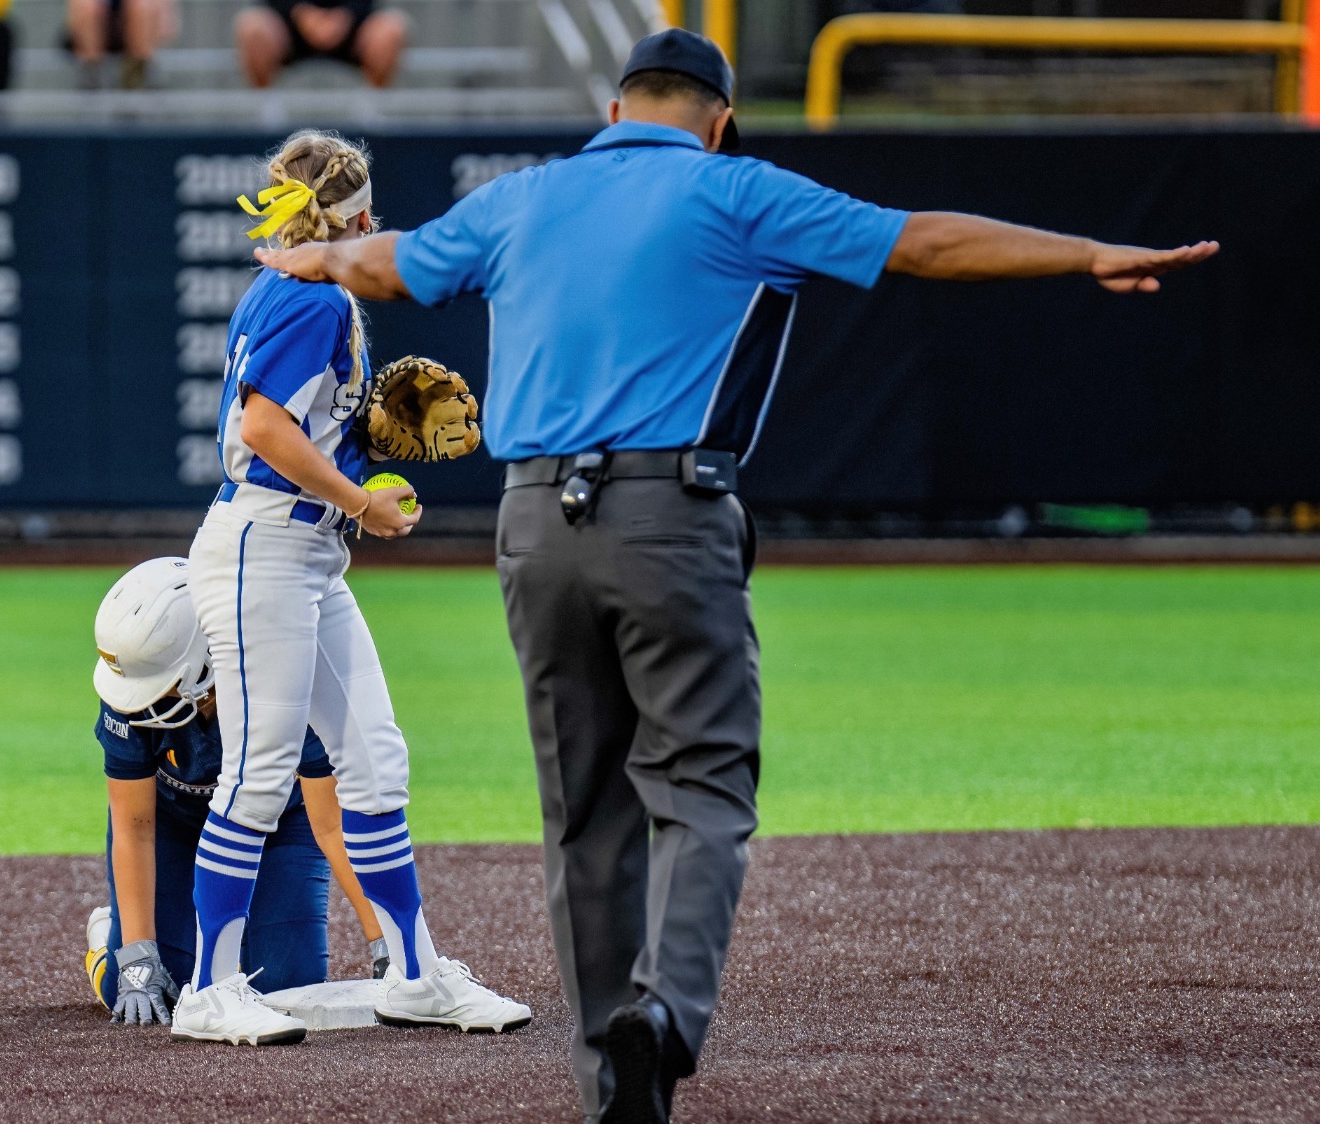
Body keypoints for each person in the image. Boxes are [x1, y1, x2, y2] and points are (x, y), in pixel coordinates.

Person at [253, 30, 1218, 1122]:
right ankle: (661, 1018)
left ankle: (609, 1086)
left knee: (582, 812)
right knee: (703, 784)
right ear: (716, 119)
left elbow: (393, 261)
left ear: (612, 113)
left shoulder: (523, 198)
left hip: (529, 523)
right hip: (667, 513)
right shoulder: (732, 188)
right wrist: (1081, 252)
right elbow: (924, 245)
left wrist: (317, 260)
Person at [171, 129, 531, 1047]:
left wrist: (362, 446)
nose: (374, 223)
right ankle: (209, 990)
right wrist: (358, 499)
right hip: (265, 548)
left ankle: (413, 973)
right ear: (345, 216)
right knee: (256, 776)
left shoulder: (297, 287)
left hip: (302, 553)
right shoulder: (314, 292)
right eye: (365, 210)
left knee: (374, 757)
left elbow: (303, 428)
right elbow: (262, 430)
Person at [80, 557, 389, 1028]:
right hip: (171, 826)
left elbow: (331, 825)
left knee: (287, 987)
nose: (139, 702)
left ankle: (248, 937)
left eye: (157, 689)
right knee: (159, 986)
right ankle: (109, 936)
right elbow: (133, 827)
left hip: (280, 825)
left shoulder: (287, 677)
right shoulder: (135, 677)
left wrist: (387, 945)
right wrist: (137, 955)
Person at [235, 0, 407, 88]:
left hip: (353, 26)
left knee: (392, 28)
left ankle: (375, 116)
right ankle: (265, 115)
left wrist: (346, 15)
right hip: (289, 27)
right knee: (252, 27)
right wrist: (299, 12)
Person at [61, 0, 177, 89]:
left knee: (143, 7)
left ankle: (136, 80)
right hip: (97, 28)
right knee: (86, 6)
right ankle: (92, 78)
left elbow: (167, 27)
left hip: (136, 30)